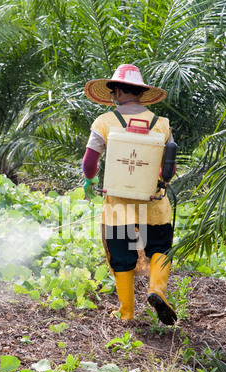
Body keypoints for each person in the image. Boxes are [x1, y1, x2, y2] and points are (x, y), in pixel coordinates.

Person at [82, 64, 177, 325]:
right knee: (159, 248)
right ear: (140, 93)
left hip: (118, 205)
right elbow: (169, 169)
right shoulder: (162, 125)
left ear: (119, 91)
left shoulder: (104, 122)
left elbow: (89, 163)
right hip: (154, 203)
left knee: (122, 255)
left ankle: (126, 315)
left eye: (114, 92)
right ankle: (157, 290)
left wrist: (90, 181)